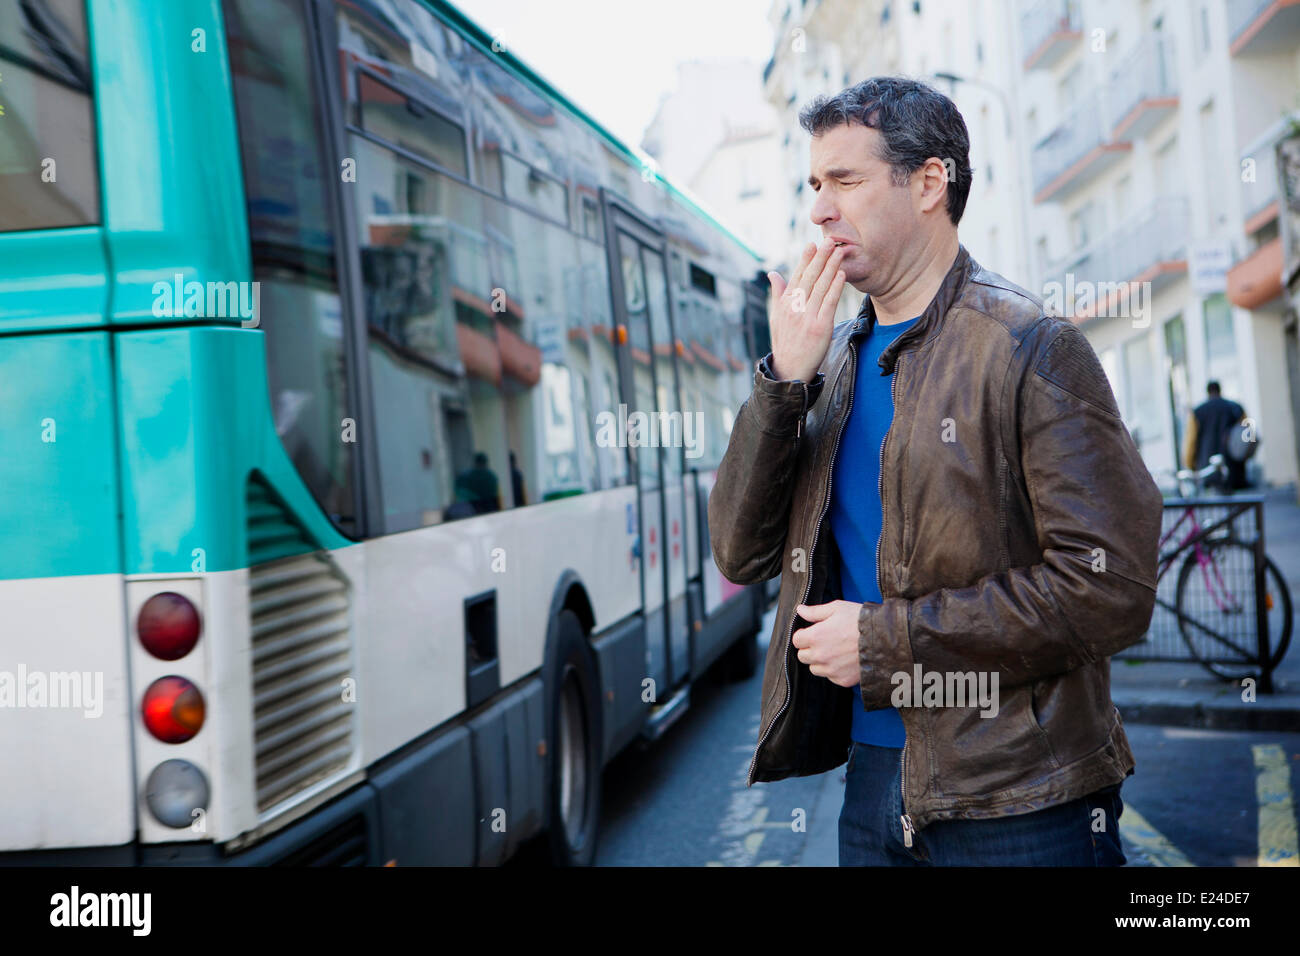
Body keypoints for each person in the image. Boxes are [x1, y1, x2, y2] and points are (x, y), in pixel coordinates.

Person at [708, 77, 1163, 866]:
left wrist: (888, 643)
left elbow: (1112, 589)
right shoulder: (831, 366)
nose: (819, 209)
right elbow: (739, 554)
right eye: (814, 185)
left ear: (928, 184)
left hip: (1023, 800)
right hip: (873, 785)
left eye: (844, 181)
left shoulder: (1030, 346)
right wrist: (783, 383)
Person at [1184, 381, 1248, 491]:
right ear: (1220, 390)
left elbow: (1191, 443)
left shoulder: (1197, 413)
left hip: (1208, 470)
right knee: (1238, 505)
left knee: (1213, 505)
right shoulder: (1236, 408)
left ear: (1208, 392)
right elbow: (1247, 436)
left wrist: (1190, 466)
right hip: (1234, 471)